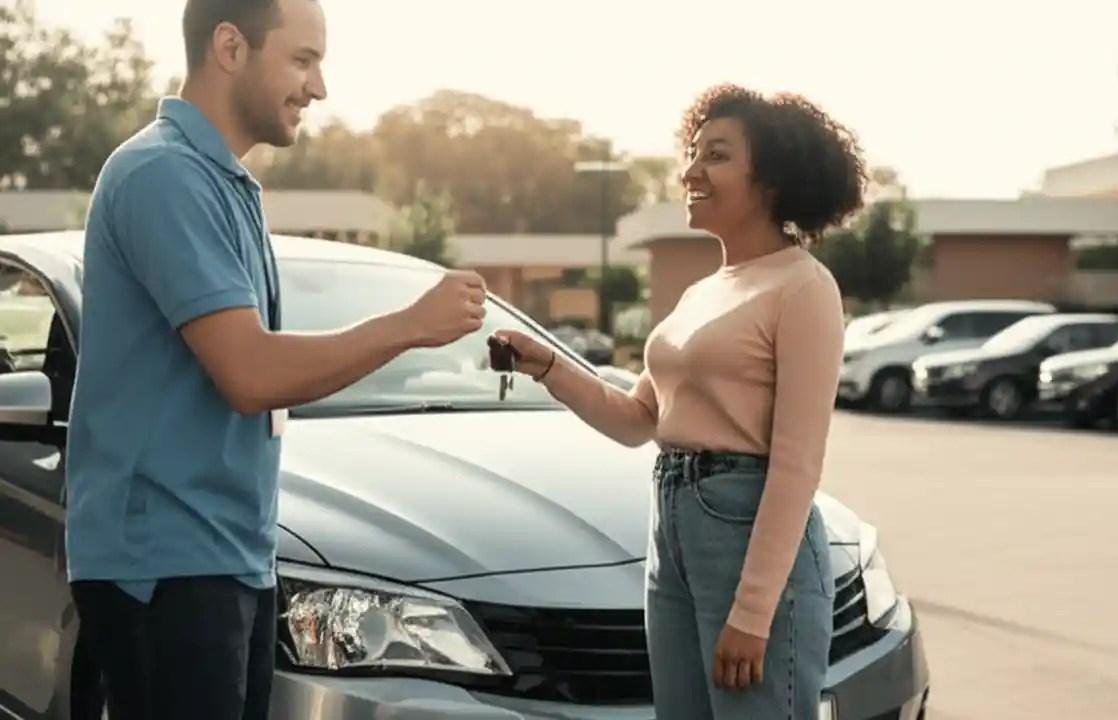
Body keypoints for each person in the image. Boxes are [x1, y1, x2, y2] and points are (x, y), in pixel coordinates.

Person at [63, 1, 487, 718]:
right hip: (164, 563)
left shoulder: (221, 183)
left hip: (228, 556)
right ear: (229, 47)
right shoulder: (162, 175)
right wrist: (410, 326)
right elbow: (253, 374)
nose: (318, 88)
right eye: (302, 59)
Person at [491, 83, 866, 719]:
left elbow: (798, 463)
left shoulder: (805, 287)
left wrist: (754, 611)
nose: (690, 171)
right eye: (692, 153)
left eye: (716, 156)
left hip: (747, 537)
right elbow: (639, 420)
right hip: (673, 528)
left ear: (773, 177)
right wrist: (548, 365)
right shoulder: (703, 292)